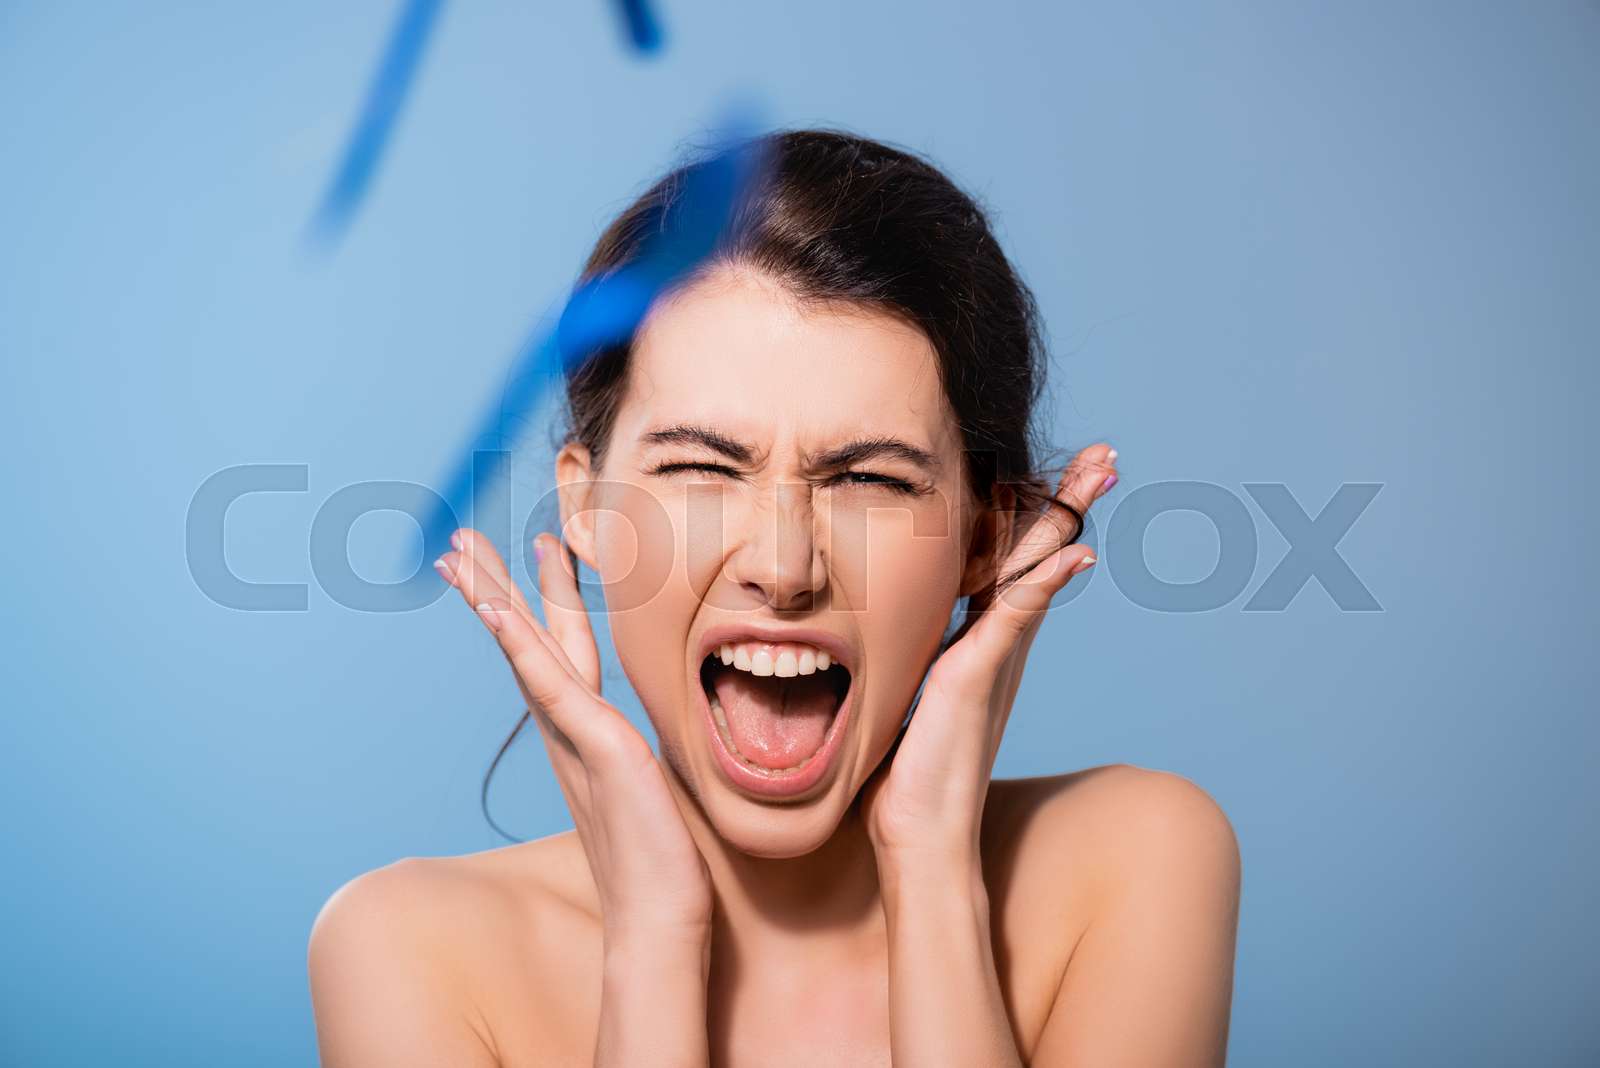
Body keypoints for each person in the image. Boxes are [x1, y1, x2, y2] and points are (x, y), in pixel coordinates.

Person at [308, 129, 1241, 1067]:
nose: (786, 567)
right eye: (703, 469)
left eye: (870, 481)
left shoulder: (1138, 861)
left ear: (983, 537)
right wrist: (654, 939)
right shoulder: (410, 949)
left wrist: (931, 872)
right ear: (584, 506)